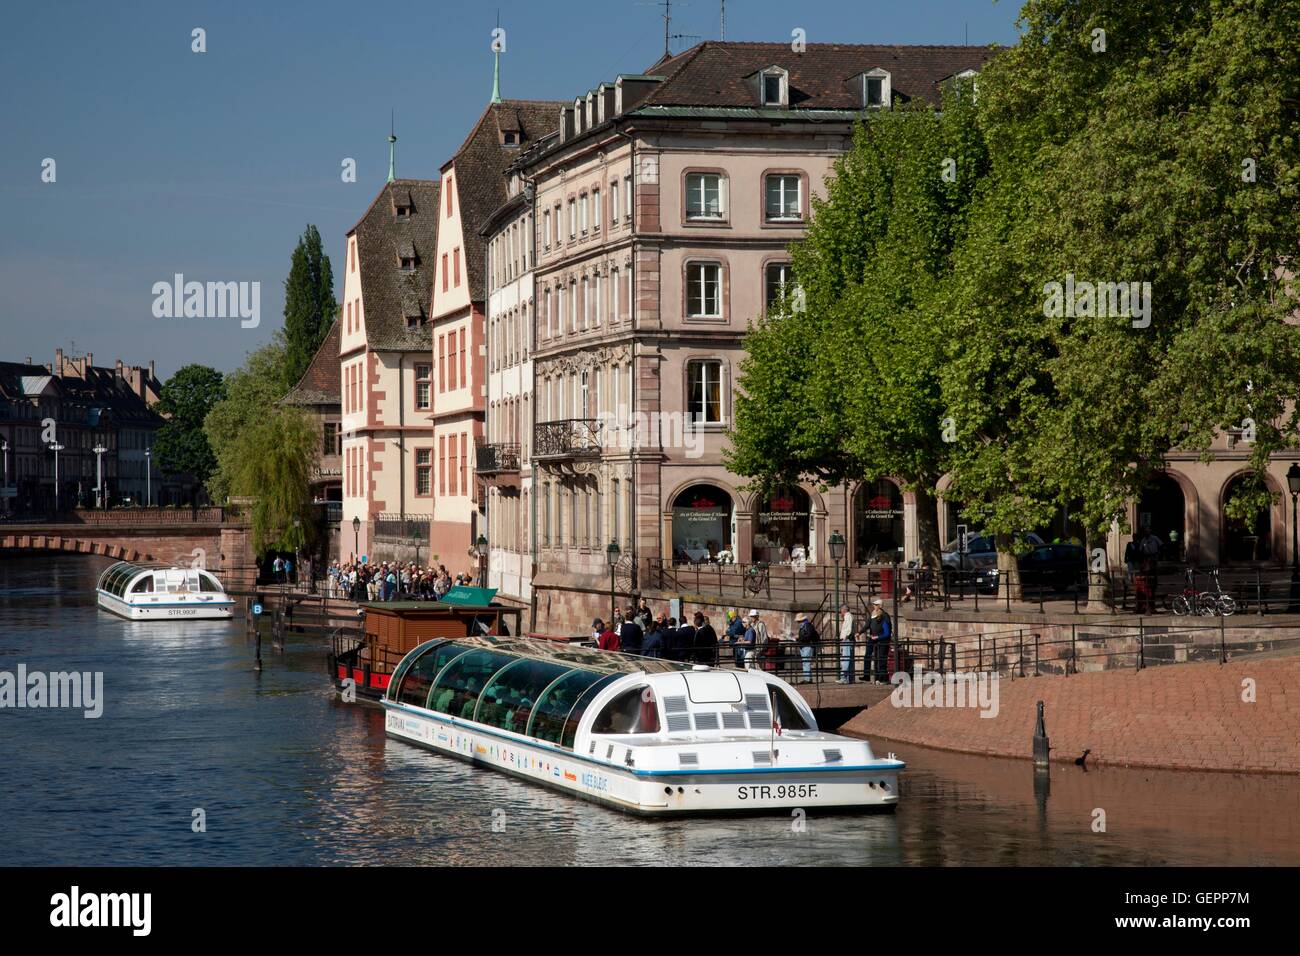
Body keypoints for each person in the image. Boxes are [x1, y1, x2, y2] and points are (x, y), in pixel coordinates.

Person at [864, 598, 892, 683]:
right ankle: (878, 678)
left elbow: (887, 633)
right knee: (877, 660)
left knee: (882, 660)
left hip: (882, 642)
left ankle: (883, 679)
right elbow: (870, 625)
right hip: (878, 642)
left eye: (875, 605)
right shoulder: (876, 617)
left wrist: (877, 637)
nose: (874, 606)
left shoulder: (884, 618)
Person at [795, 611, 818, 683]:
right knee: (805, 662)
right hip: (805, 646)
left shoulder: (807, 626)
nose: (798, 623)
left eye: (798, 621)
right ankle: (808, 678)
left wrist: (799, 638)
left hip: (807, 646)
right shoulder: (805, 625)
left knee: (806, 662)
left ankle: (807, 679)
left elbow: (808, 636)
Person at [837, 603, 855, 684]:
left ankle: (844, 678)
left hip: (846, 640)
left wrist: (845, 637)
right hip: (847, 640)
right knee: (848, 659)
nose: (840, 612)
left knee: (845, 659)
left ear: (844, 610)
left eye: (841, 610)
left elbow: (849, 628)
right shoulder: (848, 616)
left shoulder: (848, 616)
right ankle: (849, 678)